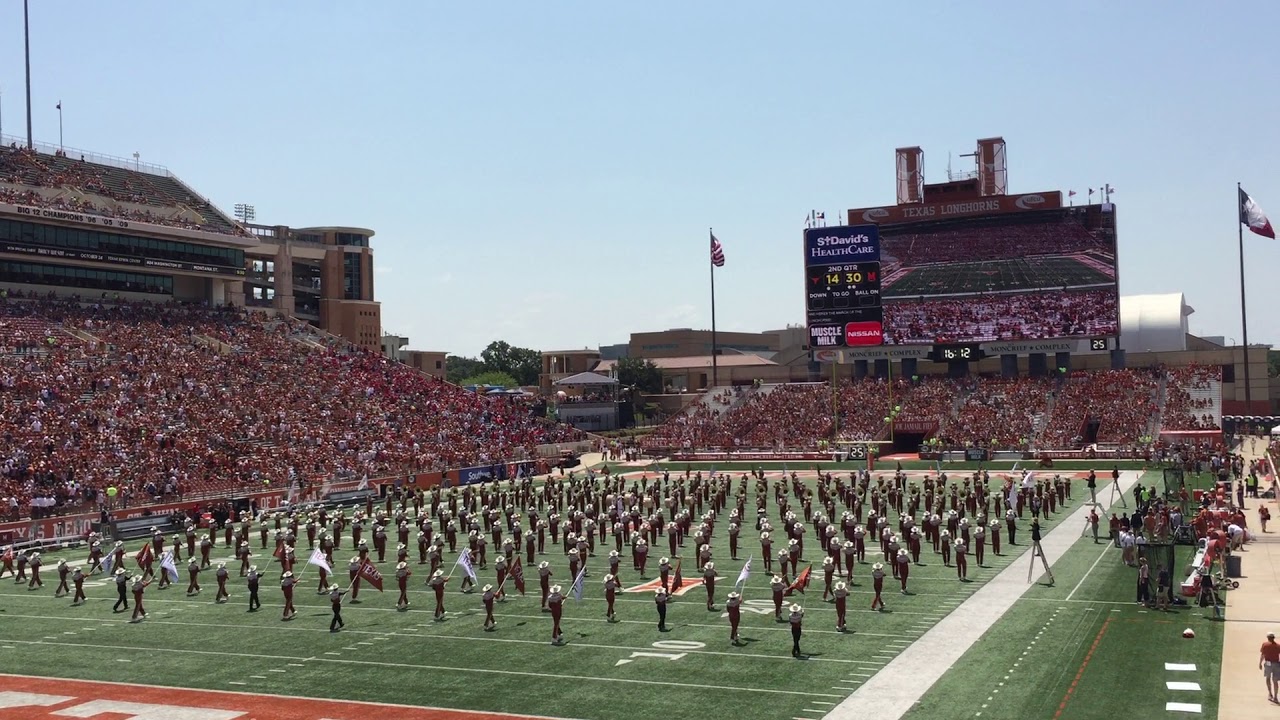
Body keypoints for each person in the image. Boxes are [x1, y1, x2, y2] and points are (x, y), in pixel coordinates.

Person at [1261, 631, 1280, 704]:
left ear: (1268, 638)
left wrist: (1260, 663)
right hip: (1276, 664)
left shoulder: (1265, 645)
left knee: (1268, 678)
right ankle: (1275, 697)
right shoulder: (1278, 646)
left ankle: (1270, 693)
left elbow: (1263, 654)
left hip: (1268, 664)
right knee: (1275, 681)